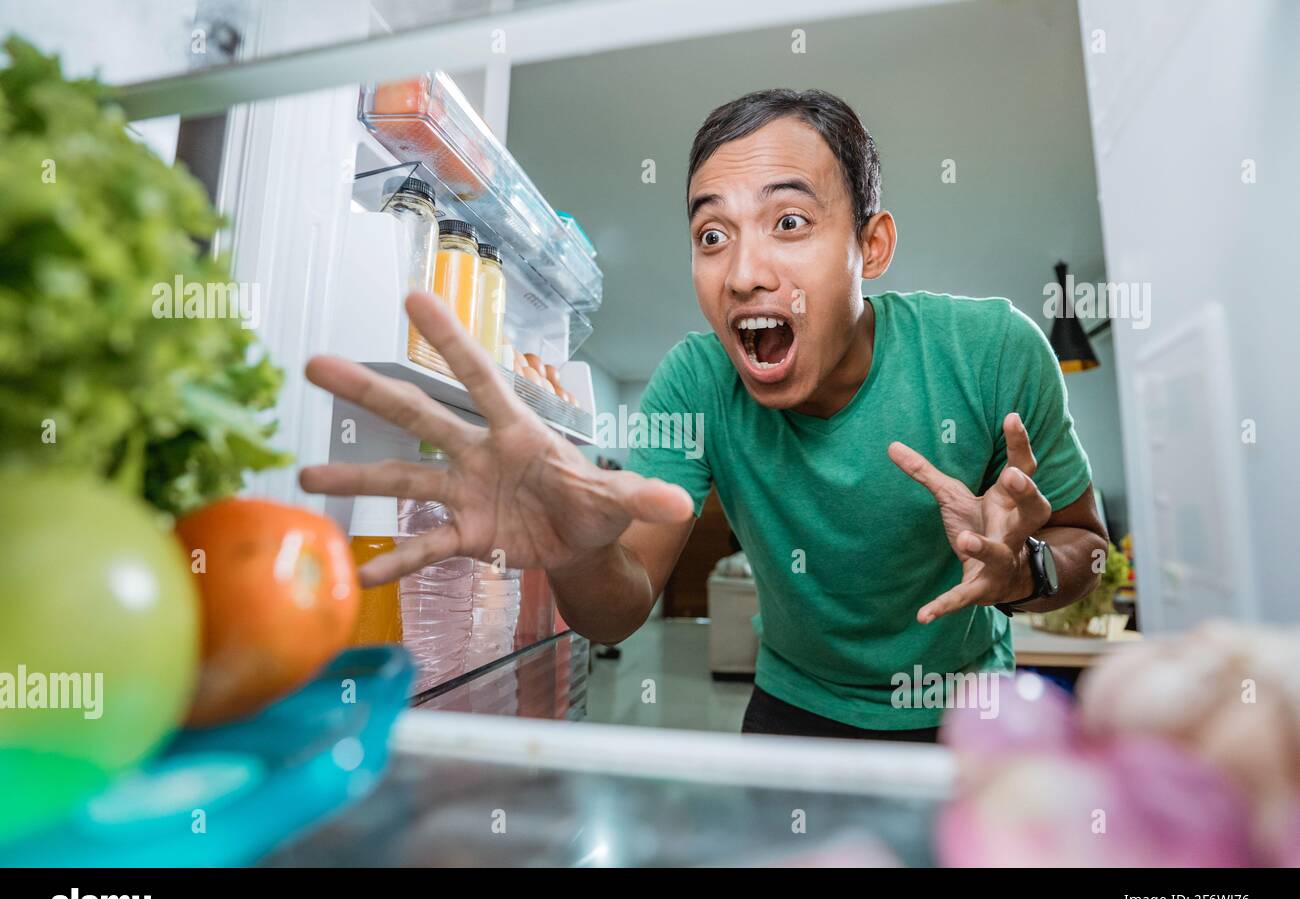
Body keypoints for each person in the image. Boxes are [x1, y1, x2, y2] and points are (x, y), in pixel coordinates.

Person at [300, 88, 1107, 742]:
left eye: (789, 223)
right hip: (795, 713)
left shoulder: (994, 350)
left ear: (872, 245)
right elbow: (618, 607)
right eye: (712, 233)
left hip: (975, 720)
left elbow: (1088, 550)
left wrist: (1025, 570)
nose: (745, 272)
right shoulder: (696, 382)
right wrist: (572, 550)